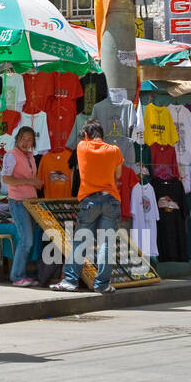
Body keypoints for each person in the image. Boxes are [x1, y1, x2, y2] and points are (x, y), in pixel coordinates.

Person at [52, 119, 123, 294]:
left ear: (85, 135)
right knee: (107, 243)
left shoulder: (82, 147)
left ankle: (70, 281)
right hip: (110, 199)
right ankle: (102, 284)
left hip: (89, 200)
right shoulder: (114, 150)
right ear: (102, 135)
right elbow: (118, 175)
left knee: (81, 242)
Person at [0, 125, 41, 286]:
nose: (25, 142)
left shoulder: (30, 156)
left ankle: (22, 274)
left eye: (29, 139)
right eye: (23, 138)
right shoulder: (11, 156)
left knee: (28, 240)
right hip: (18, 202)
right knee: (26, 240)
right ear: (17, 139)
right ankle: (17, 276)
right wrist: (30, 182)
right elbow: (6, 179)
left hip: (30, 203)